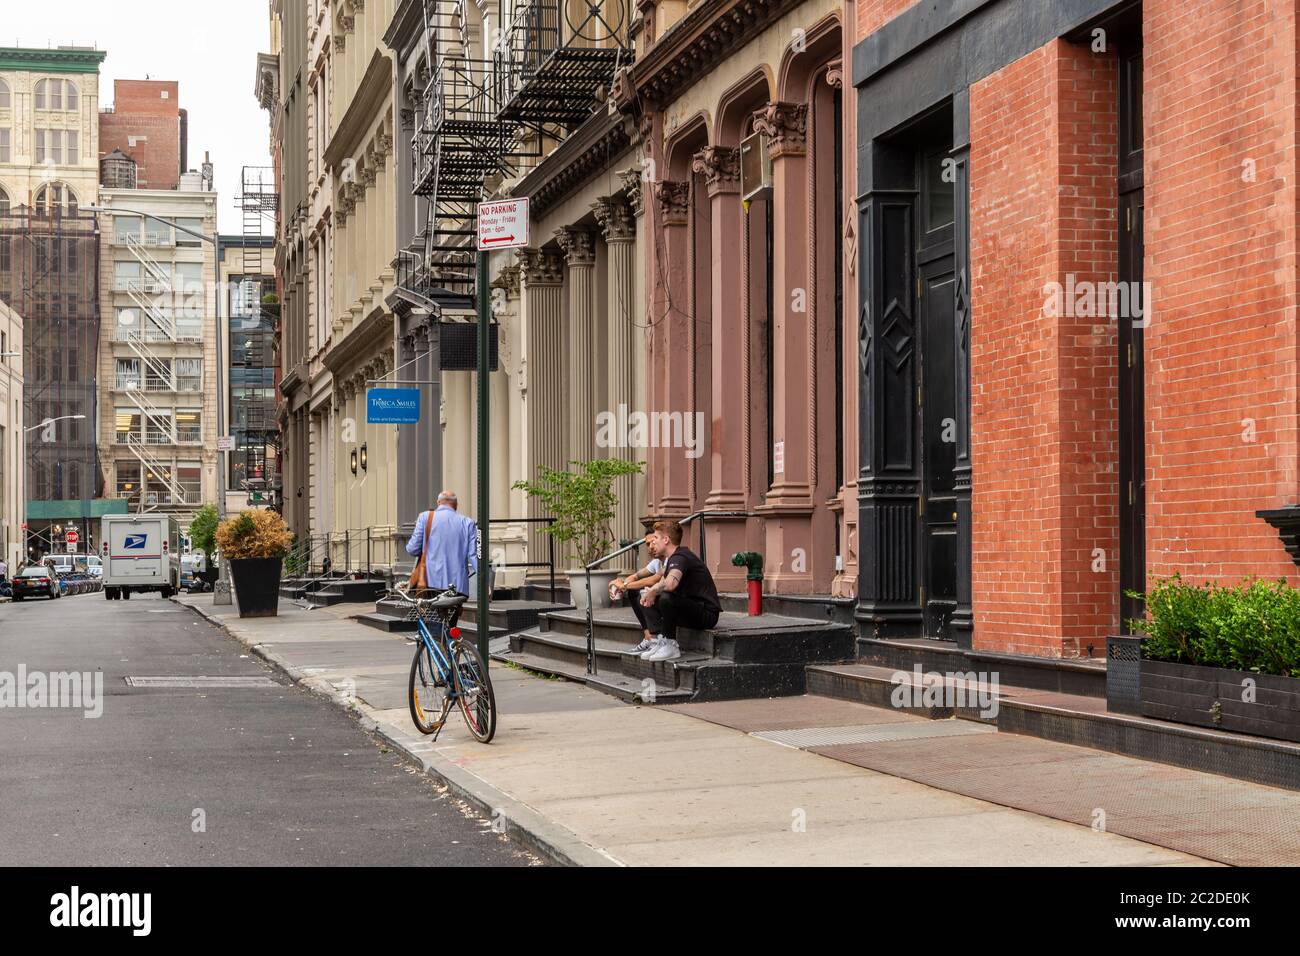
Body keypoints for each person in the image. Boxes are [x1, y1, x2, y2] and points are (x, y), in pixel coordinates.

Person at [636, 519, 721, 662]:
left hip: (706, 614)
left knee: (666, 597)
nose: (653, 542)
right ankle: (659, 641)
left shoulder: (681, 556)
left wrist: (654, 590)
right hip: (690, 610)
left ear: (666, 540)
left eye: (656, 538)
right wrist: (650, 592)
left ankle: (670, 645)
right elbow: (662, 583)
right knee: (646, 596)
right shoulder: (672, 558)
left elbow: (670, 584)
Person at [405, 490, 478, 598]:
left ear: (438, 502)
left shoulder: (425, 517)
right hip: (458, 585)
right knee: (452, 613)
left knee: (428, 613)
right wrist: (485, 584)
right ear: (456, 505)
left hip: (429, 582)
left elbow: (412, 549)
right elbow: (474, 556)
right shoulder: (468, 523)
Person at [609, 532, 665, 652]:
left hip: (679, 604)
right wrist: (623, 585)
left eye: (653, 542)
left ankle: (658, 637)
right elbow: (635, 576)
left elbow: (652, 580)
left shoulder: (671, 559)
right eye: (648, 544)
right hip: (663, 602)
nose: (650, 547)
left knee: (644, 592)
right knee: (634, 592)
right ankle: (648, 635)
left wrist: (624, 585)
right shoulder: (656, 562)